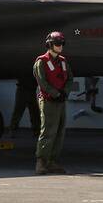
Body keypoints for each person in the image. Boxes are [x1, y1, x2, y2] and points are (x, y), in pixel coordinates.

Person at [33, 31, 73, 175]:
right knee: (48, 131)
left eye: (62, 43)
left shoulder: (62, 61)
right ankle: (41, 161)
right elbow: (42, 82)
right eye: (57, 43)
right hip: (48, 101)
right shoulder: (41, 62)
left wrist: (64, 93)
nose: (60, 46)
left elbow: (70, 79)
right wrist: (55, 94)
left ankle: (52, 161)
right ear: (50, 44)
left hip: (60, 100)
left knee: (60, 131)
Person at [9, 72, 40, 136]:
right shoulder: (26, 65)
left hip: (29, 90)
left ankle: (36, 130)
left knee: (34, 112)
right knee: (19, 111)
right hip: (23, 89)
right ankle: (12, 129)